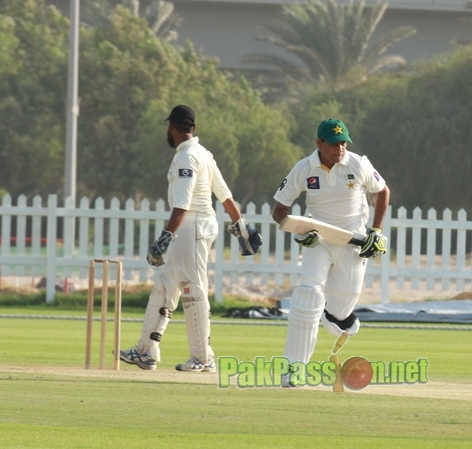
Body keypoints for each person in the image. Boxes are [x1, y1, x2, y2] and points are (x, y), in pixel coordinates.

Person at [120, 105, 261, 372]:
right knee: (165, 286)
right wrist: (241, 224)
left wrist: (165, 237)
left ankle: (203, 358)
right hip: (194, 226)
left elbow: (182, 205)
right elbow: (225, 195)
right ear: (193, 128)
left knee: (192, 289)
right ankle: (146, 351)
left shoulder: (188, 157)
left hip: (191, 227)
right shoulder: (203, 154)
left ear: (171, 127)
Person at [271, 118, 390, 386]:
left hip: (353, 241)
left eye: (344, 143)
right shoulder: (304, 168)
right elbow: (279, 210)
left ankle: (330, 314)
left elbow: (383, 191)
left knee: (341, 315)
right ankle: (294, 370)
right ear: (319, 143)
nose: (341, 148)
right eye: (335, 144)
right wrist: (300, 231)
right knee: (308, 294)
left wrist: (376, 231)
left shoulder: (358, 163)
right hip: (319, 240)